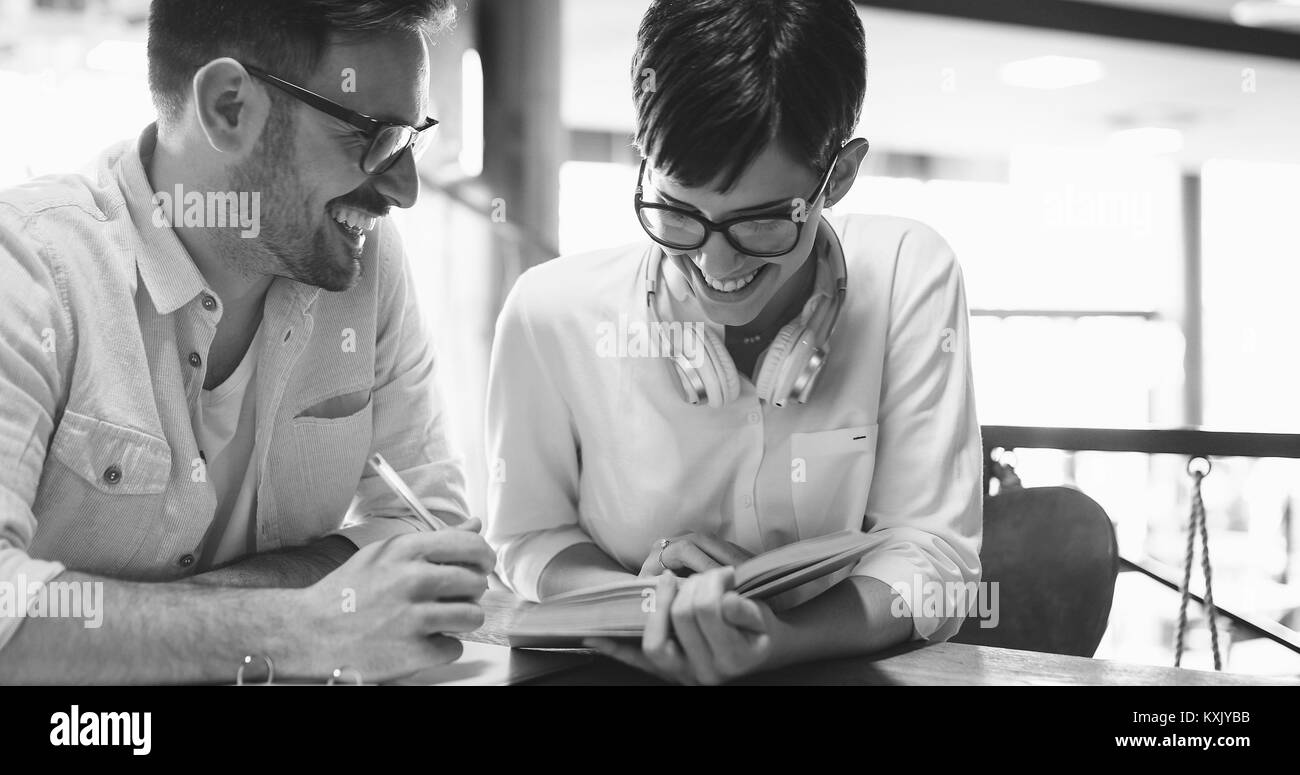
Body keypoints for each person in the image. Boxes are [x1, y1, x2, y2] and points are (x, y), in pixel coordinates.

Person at [485, 0, 983, 685]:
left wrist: (778, 641)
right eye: (679, 212)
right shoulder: (550, 314)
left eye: (760, 223)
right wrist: (646, 602)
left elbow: (938, 560)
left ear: (838, 175)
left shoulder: (908, 274)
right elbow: (528, 537)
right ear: (644, 157)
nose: (717, 268)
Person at [0, 0, 492, 683]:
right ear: (230, 106)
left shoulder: (363, 262)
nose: (404, 190)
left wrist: (193, 613)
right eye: (377, 138)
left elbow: (431, 527)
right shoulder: (29, 267)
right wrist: (295, 628)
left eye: (412, 139)